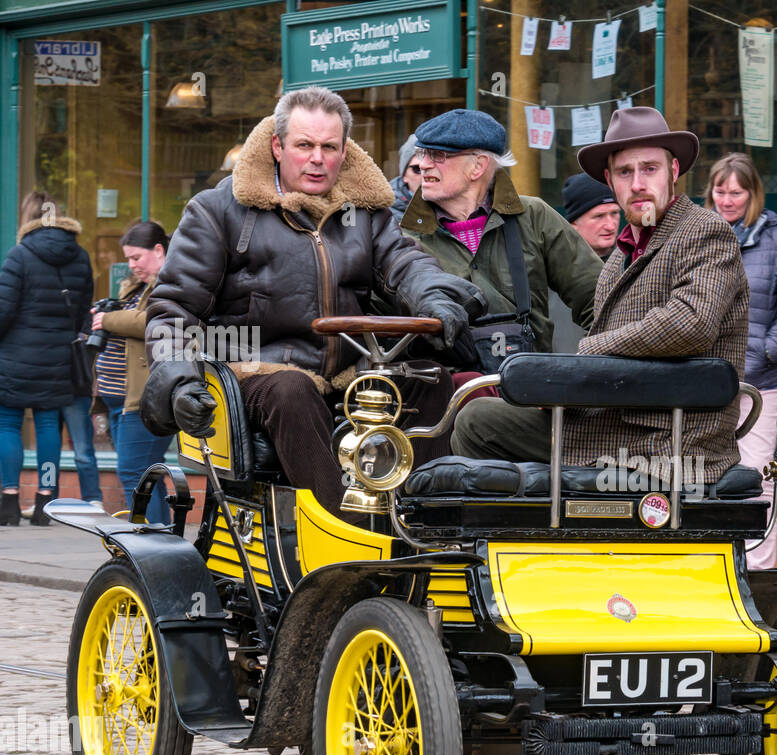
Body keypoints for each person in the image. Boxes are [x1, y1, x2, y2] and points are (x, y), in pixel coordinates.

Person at [141, 86, 484, 519]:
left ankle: (422, 518)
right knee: (292, 389)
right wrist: (177, 375)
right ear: (278, 147)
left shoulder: (365, 212)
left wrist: (434, 294)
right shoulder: (217, 211)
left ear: (345, 151)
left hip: (347, 371)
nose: (317, 158)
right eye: (305, 145)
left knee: (432, 379)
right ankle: (345, 532)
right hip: (255, 370)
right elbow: (172, 308)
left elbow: (404, 262)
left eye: (329, 147)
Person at [451, 106, 748, 488]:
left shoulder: (704, 231)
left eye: (650, 169)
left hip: (671, 439)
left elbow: (691, 323)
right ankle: (511, 540)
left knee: (477, 422)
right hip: (619, 422)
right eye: (625, 172)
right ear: (610, 180)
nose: (638, 183)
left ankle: (530, 535)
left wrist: (586, 355)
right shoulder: (619, 259)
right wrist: (562, 388)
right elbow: (617, 364)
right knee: (476, 414)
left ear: (673, 172)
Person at [400, 109, 603, 358]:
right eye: (422, 153)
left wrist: (590, 366)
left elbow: (601, 300)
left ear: (478, 166)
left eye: (437, 155)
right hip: (444, 392)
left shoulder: (534, 217)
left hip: (528, 391)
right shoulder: (401, 237)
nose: (422, 164)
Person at [705, 153, 777, 568]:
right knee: (704, 473)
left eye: (736, 192)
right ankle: (714, 565)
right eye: (720, 191)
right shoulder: (697, 235)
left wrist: (770, 346)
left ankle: (757, 569)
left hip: (760, 382)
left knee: (757, 477)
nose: (727, 200)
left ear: (751, 194)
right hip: (704, 379)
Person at [0, 191, 93, 526]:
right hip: (58, 360)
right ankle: (45, 501)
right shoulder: (80, 256)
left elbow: (4, 311)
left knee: (8, 424)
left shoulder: (19, 256)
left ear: (27, 217)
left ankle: (9, 500)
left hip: (14, 357)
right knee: (47, 426)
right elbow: (85, 311)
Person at [91, 221, 175, 523]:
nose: (131, 265)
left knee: (135, 473)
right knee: (145, 471)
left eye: (136, 257)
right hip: (120, 399)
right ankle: (161, 542)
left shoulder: (173, 281)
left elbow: (156, 322)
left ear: (158, 250)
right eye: (127, 259)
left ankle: (147, 544)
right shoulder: (139, 286)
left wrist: (109, 319)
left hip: (145, 399)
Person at [551, 172, 621, 354]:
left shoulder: (631, 266)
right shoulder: (552, 275)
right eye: (598, 216)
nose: (611, 225)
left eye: (614, 213)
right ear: (573, 225)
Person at [388, 133, 420, 222]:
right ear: (404, 176)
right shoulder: (383, 212)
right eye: (418, 169)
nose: (425, 175)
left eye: (431, 168)